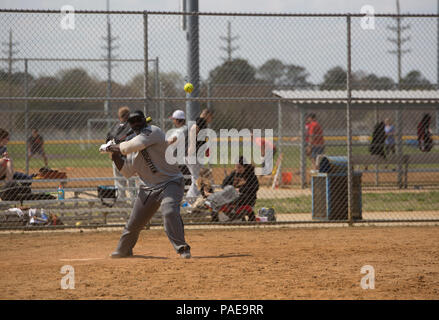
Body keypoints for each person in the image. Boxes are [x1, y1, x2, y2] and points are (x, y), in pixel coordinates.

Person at [101, 110, 191, 259]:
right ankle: (124, 250)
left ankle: (182, 248)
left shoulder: (152, 131)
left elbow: (130, 146)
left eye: (139, 119)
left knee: (169, 211)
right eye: (133, 121)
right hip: (148, 187)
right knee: (134, 222)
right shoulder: (132, 149)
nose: (136, 123)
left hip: (171, 182)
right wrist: (114, 155)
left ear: (144, 120)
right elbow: (126, 171)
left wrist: (111, 147)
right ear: (130, 124)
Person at [106, 106, 135, 199]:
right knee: (131, 181)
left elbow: (108, 141)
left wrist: (111, 151)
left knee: (119, 181)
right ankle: (133, 200)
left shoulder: (114, 128)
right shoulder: (133, 127)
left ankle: (121, 200)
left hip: (116, 157)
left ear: (119, 117)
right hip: (129, 157)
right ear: (129, 116)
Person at [186, 108, 214, 203]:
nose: (211, 119)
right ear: (207, 115)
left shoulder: (200, 122)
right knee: (197, 179)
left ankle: (194, 201)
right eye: (211, 117)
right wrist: (193, 148)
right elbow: (194, 130)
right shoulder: (201, 122)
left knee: (198, 178)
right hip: (194, 155)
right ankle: (190, 202)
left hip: (194, 155)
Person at [219, 156, 259, 221]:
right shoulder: (234, 173)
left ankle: (247, 216)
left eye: (239, 167)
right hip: (234, 196)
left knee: (237, 199)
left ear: (245, 167)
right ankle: (236, 217)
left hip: (247, 197)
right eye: (236, 167)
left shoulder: (251, 175)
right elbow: (223, 185)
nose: (237, 169)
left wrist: (240, 190)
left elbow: (255, 188)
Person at [167, 110, 191, 189]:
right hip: (184, 160)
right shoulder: (185, 128)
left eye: (174, 119)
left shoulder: (181, 130)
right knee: (186, 183)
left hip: (181, 161)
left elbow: (173, 139)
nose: (173, 121)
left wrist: (162, 144)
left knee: (183, 183)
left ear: (178, 120)